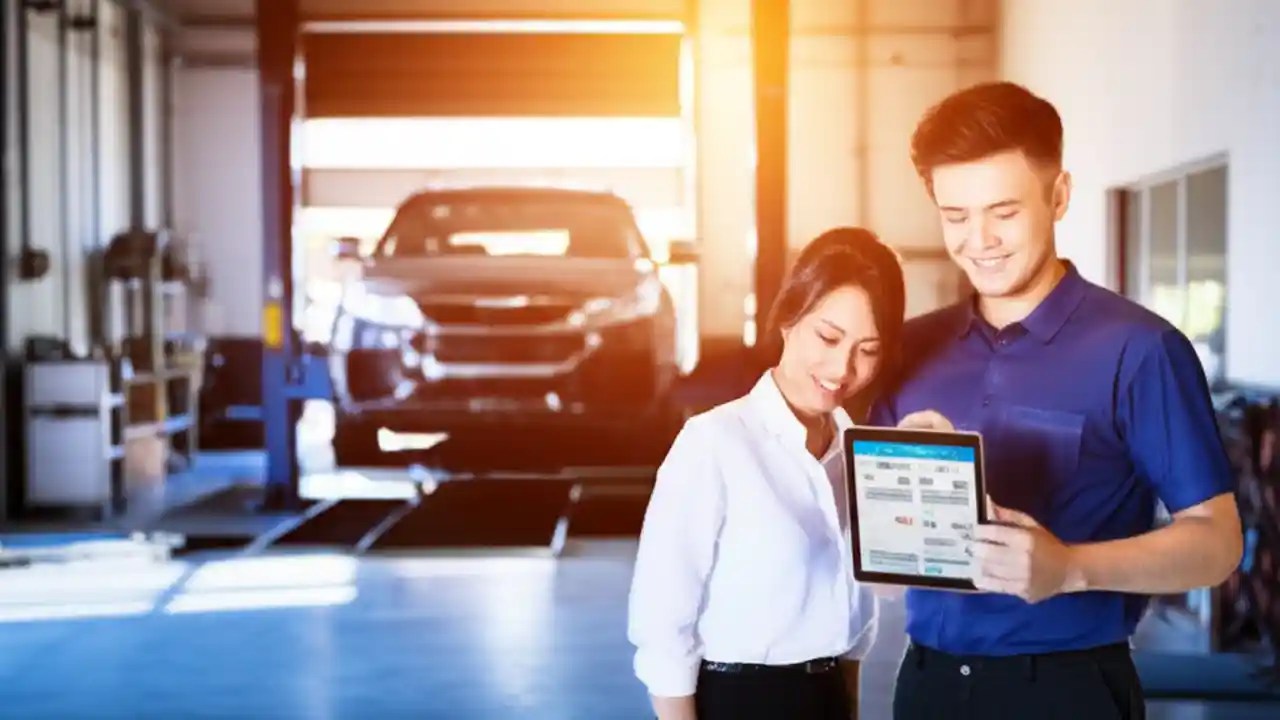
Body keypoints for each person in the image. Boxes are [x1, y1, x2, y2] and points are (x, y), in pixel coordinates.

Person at [871, 81, 1244, 719]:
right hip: (927, 684)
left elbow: (1217, 543)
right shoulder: (909, 349)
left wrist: (1069, 567)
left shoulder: (1140, 350)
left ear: (1059, 195)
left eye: (1003, 212)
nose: (979, 240)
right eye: (955, 216)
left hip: (1068, 689)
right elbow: (873, 548)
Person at [628, 227, 925, 720]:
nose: (842, 367)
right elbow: (662, 625)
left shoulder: (858, 454)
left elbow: (854, 618)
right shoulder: (714, 443)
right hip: (738, 700)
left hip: (829, 695)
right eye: (828, 337)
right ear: (789, 318)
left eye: (868, 349)